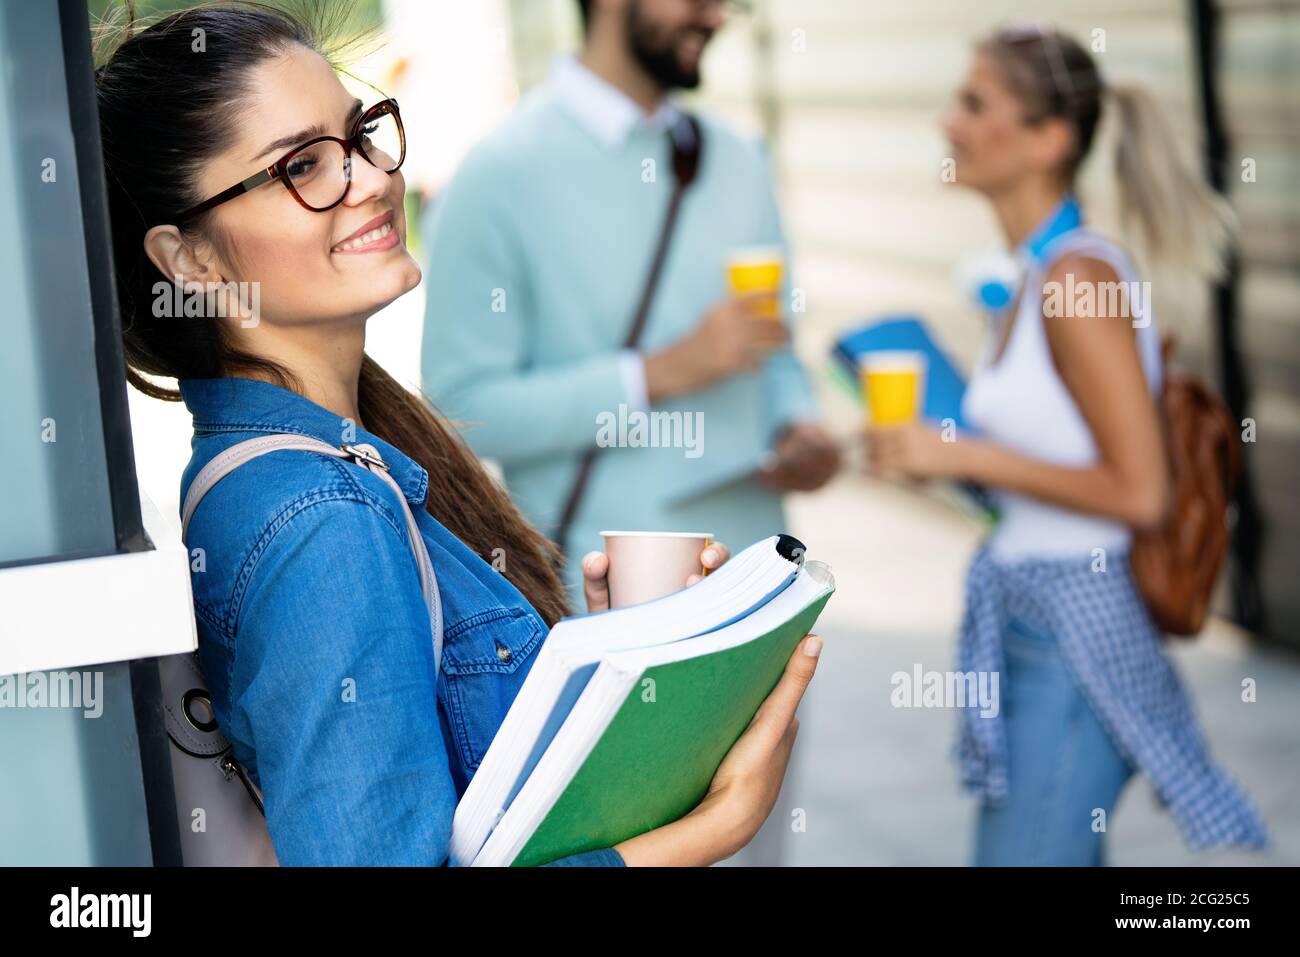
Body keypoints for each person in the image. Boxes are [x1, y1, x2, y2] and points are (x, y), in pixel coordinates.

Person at [94, 0, 820, 867]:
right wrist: (713, 829)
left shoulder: (314, 468)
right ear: (192, 262)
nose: (368, 178)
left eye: (359, 136)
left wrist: (612, 672)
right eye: (302, 166)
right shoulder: (324, 517)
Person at [868, 23, 1268, 865]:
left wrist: (961, 454)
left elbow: (1139, 492)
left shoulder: (1076, 280)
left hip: (1075, 642)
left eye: (975, 103)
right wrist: (929, 455)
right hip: (1030, 620)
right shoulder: (1034, 277)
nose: (948, 122)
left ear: (1049, 139)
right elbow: (1050, 464)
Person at [421, 0, 840, 604]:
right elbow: (462, 407)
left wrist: (799, 425)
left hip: (760, 580)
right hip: (610, 599)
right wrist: (658, 374)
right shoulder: (496, 174)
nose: (716, 17)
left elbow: (776, 351)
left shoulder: (740, 158)